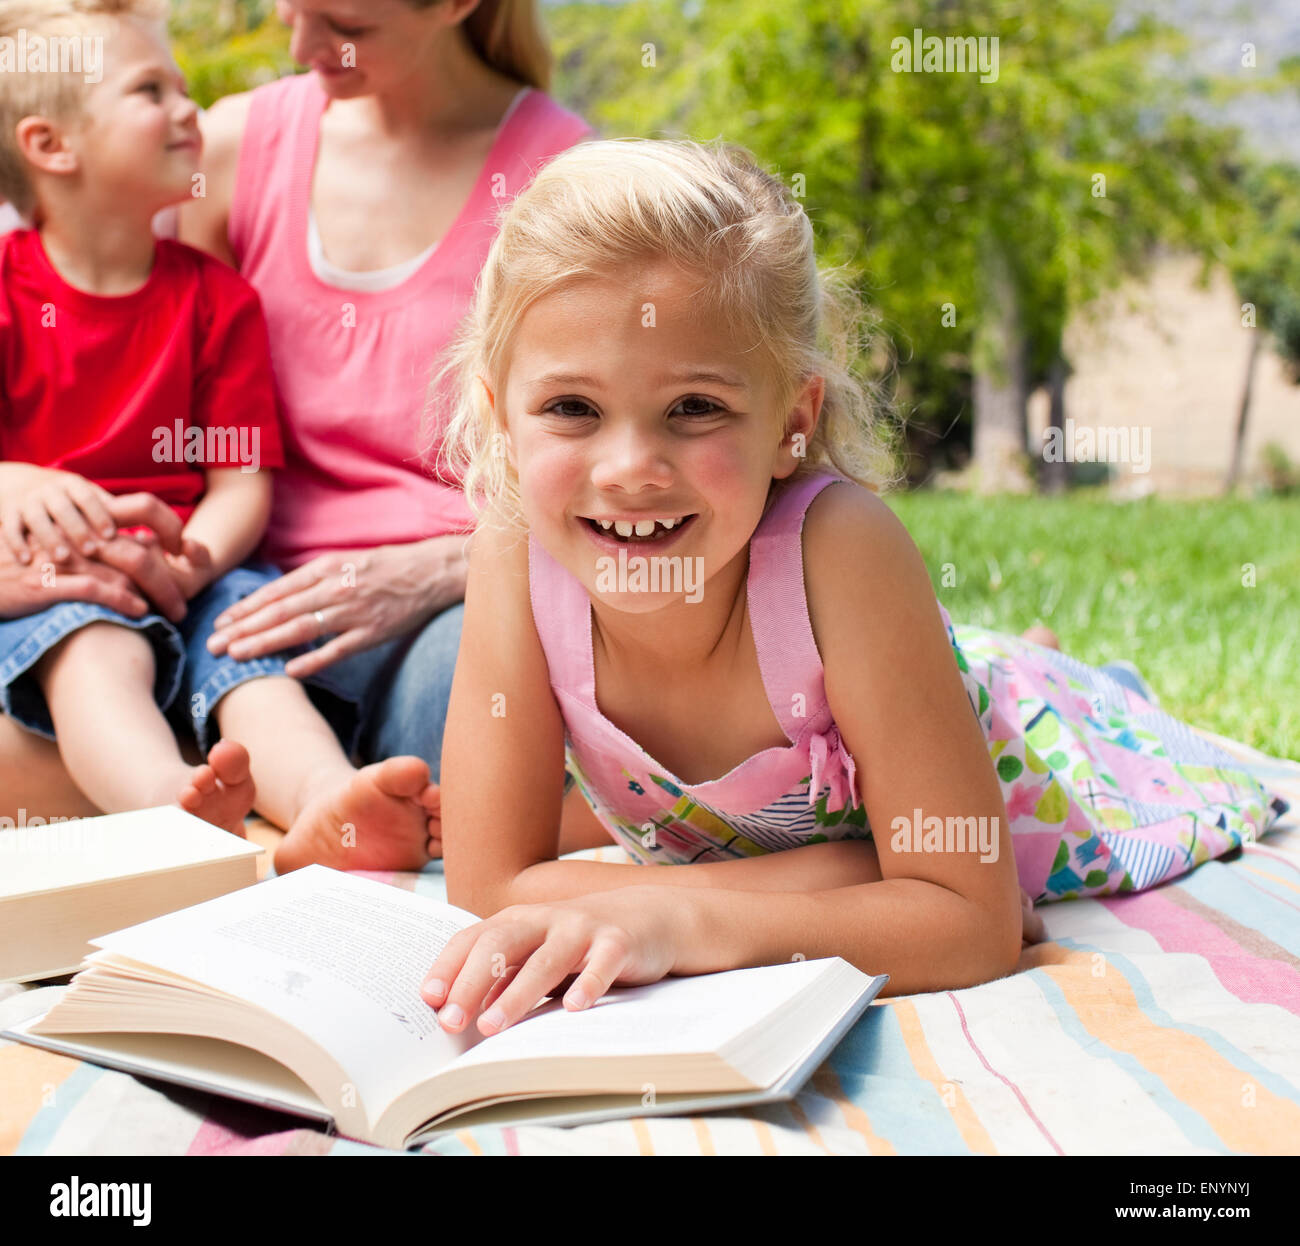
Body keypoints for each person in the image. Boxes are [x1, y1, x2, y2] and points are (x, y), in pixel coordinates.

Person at [417, 138, 1290, 1032]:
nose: (631, 467)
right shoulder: (517, 553)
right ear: (500, 419)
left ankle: (1041, 674)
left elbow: (971, 922)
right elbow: (488, 886)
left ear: (794, 422)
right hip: (848, 786)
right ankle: (1007, 661)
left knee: (1073, 714)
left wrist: (677, 912)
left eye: (695, 408)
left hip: (1045, 752)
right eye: (572, 409)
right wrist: (868, 878)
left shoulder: (836, 550)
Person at [1, 0, 593, 866]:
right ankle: (234, 818)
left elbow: (609, 470)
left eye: (341, 20)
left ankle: (296, 813)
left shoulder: (566, 184)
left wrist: (447, 564)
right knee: (107, 666)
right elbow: (86, 234)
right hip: (206, 593)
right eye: (290, 8)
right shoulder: (231, 149)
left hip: (399, 604)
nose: (299, 47)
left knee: (464, 736)